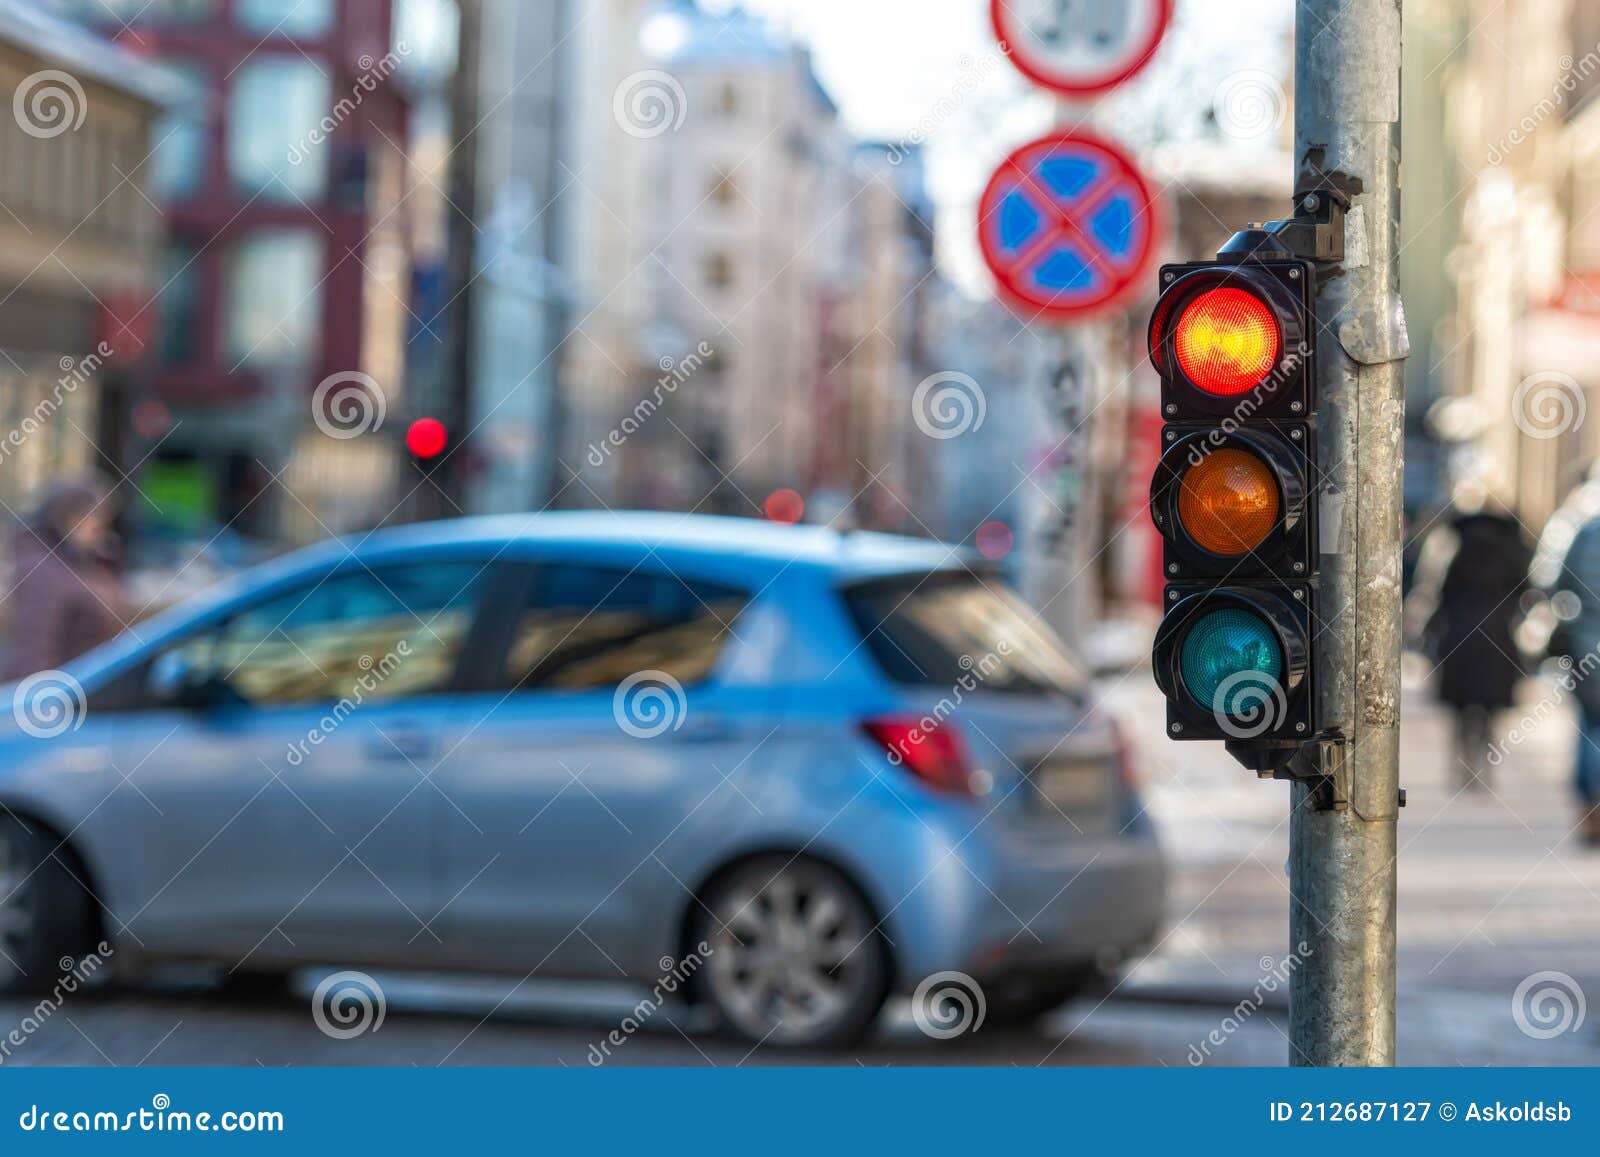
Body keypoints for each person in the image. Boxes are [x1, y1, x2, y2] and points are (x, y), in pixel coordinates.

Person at [1408, 487, 1533, 790]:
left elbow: (1434, 586)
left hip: (1459, 631)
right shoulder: (1510, 541)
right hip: (1498, 632)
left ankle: (1461, 765)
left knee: (1461, 706)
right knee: (1489, 703)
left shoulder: (1451, 540)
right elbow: (1525, 586)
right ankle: (1486, 763)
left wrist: (1425, 627)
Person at [2, 479, 129, 680]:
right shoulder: (43, 570)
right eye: (89, 517)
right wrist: (39, 703)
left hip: (87, 688)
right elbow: (35, 651)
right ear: (65, 520)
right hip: (64, 699)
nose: (99, 528)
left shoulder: (86, 562)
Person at [1546, 506, 1600, 847]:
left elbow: (1560, 586)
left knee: (1589, 724)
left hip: (1586, 646)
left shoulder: (1586, 532)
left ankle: (1589, 805)